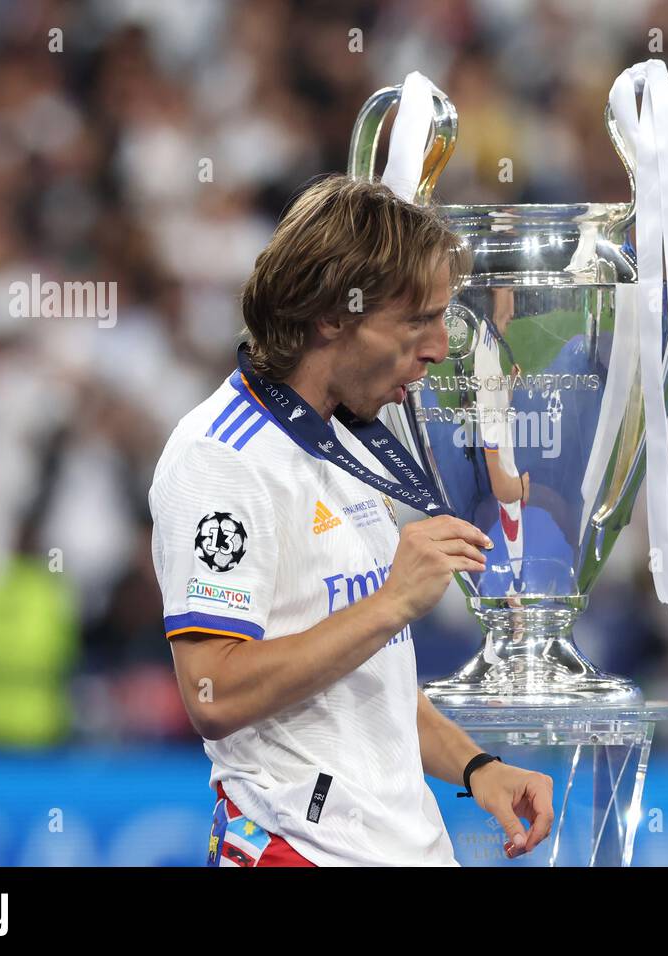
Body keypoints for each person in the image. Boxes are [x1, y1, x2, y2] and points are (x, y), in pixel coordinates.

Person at [148, 174, 553, 866]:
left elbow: (367, 671)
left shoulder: (344, 437)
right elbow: (212, 690)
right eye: (416, 320)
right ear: (332, 315)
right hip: (299, 850)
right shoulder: (219, 458)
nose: (436, 347)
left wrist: (477, 767)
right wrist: (393, 601)